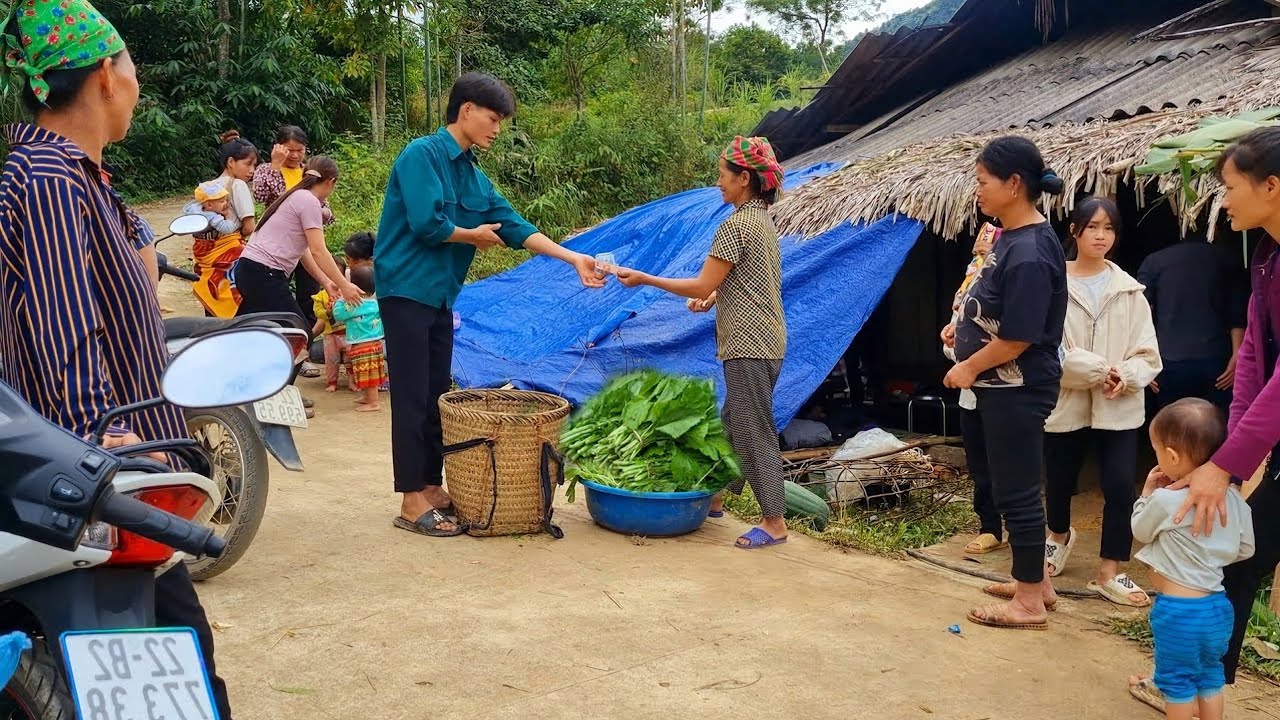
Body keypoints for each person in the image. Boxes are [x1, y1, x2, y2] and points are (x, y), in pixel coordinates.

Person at [0, 1, 232, 715]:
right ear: (106, 74)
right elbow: (63, 335)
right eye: (132, 65)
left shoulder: (82, 179)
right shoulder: (42, 179)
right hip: (90, 492)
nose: (137, 81)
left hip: (111, 487)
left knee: (191, 678)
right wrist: (113, 449)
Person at [374, 72, 601, 538]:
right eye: (493, 118)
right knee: (413, 395)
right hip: (405, 289)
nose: (497, 129)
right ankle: (410, 497)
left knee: (437, 393)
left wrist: (571, 256)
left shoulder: (473, 176)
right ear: (466, 110)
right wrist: (470, 236)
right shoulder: (422, 155)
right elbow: (425, 222)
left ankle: (431, 485)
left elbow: (514, 225)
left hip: (439, 294)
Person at [1137, 126, 1280, 706]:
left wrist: (1228, 463)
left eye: (1229, 186)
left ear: (1271, 186)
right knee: (1243, 569)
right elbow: (1254, 358)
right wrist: (1238, 450)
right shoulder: (1267, 258)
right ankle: (1205, 689)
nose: (1223, 201)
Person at [616, 136, 789, 550]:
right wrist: (713, 297)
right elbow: (750, 278)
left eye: (723, 176)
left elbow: (701, 280)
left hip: (750, 342)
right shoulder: (762, 220)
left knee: (752, 430)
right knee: (732, 423)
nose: (718, 184)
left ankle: (775, 520)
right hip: (766, 337)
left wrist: (645, 278)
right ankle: (713, 497)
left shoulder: (735, 225)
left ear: (744, 178)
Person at [942, 136, 1067, 630]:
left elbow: (1019, 336)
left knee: (1015, 489)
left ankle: (1029, 603)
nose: (978, 191)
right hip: (1002, 389)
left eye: (982, 182)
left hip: (1016, 388)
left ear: (1014, 185)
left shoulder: (1031, 250)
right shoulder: (1009, 238)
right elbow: (994, 308)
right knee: (1013, 484)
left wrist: (970, 366)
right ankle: (1037, 582)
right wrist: (964, 326)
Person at [1042, 196, 1161, 607]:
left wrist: (1125, 375)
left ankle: (1110, 570)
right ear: (1074, 231)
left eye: (1108, 228)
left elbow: (1149, 353)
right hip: (1067, 400)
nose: (1101, 235)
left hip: (1120, 404)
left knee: (1118, 486)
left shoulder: (1131, 291)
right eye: (1092, 227)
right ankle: (1057, 535)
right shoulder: (1053, 283)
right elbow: (1048, 348)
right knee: (1058, 480)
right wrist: (1094, 371)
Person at [1129, 399, 1254, 720]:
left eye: (1156, 451)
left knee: (1177, 684)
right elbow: (1246, 549)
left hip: (1179, 613)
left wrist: (1146, 494)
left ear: (1171, 456)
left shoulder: (1166, 500)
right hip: (1218, 608)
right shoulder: (1236, 502)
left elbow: (1141, 531)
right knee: (1210, 676)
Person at [944, 222, 1006, 555]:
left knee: (1007, 462)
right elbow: (953, 346)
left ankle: (1021, 527)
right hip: (971, 390)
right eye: (978, 254)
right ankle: (990, 526)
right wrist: (954, 342)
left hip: (1007, 388)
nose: (980, 259)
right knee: (980, 463)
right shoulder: (966, 291)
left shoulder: (1009, 288)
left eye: (987, 252)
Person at [235, 156, 360, 319]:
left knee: (256, 329)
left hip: (250, 270)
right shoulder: (309, 201)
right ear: (331, 181)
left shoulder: (296, 195)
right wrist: (344, 285)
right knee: (296, 330)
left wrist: (326, 282)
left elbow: (304, 251)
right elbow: (318, 250)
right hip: (264, 273)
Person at [1137, 232, 1247, 411]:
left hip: (1168, 361)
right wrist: (1238, 355)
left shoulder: (1154, 261)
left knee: (1172, 428)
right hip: (1217, 361)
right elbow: (1238, 312)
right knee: (1216, 428)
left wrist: (1144, 360)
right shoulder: (1227, 259)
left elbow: (1140, 314)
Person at [252, 124, 329, 377]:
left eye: (299, 150)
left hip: (302, 245)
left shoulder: (310, 173)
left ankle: (299, 354)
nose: (294, 155)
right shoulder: (267, 170)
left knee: (307, 296)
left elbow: (324, 209)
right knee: (280, 307)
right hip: (276, 249)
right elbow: (261, 195)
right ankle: (287, 355)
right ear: (278, 147)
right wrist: (275, 165)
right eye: (289, 149)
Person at [333, 266, 386, 412]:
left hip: (362, 346)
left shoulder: (354, 304)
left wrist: (342, 297)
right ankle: (368, 398)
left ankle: (373, 402)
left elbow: (338, 314)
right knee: (370, 373)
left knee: (367, 374)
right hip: (375, 344)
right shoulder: (375, 303)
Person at [312, 255, 352, 393]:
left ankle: (352, 381)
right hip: (330, 335)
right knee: (331, 360)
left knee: (350, 358)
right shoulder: (320, 296)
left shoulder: (346, 293)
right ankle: (332, 382)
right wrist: (327, 312)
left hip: (348, 333)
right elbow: (318, 313)